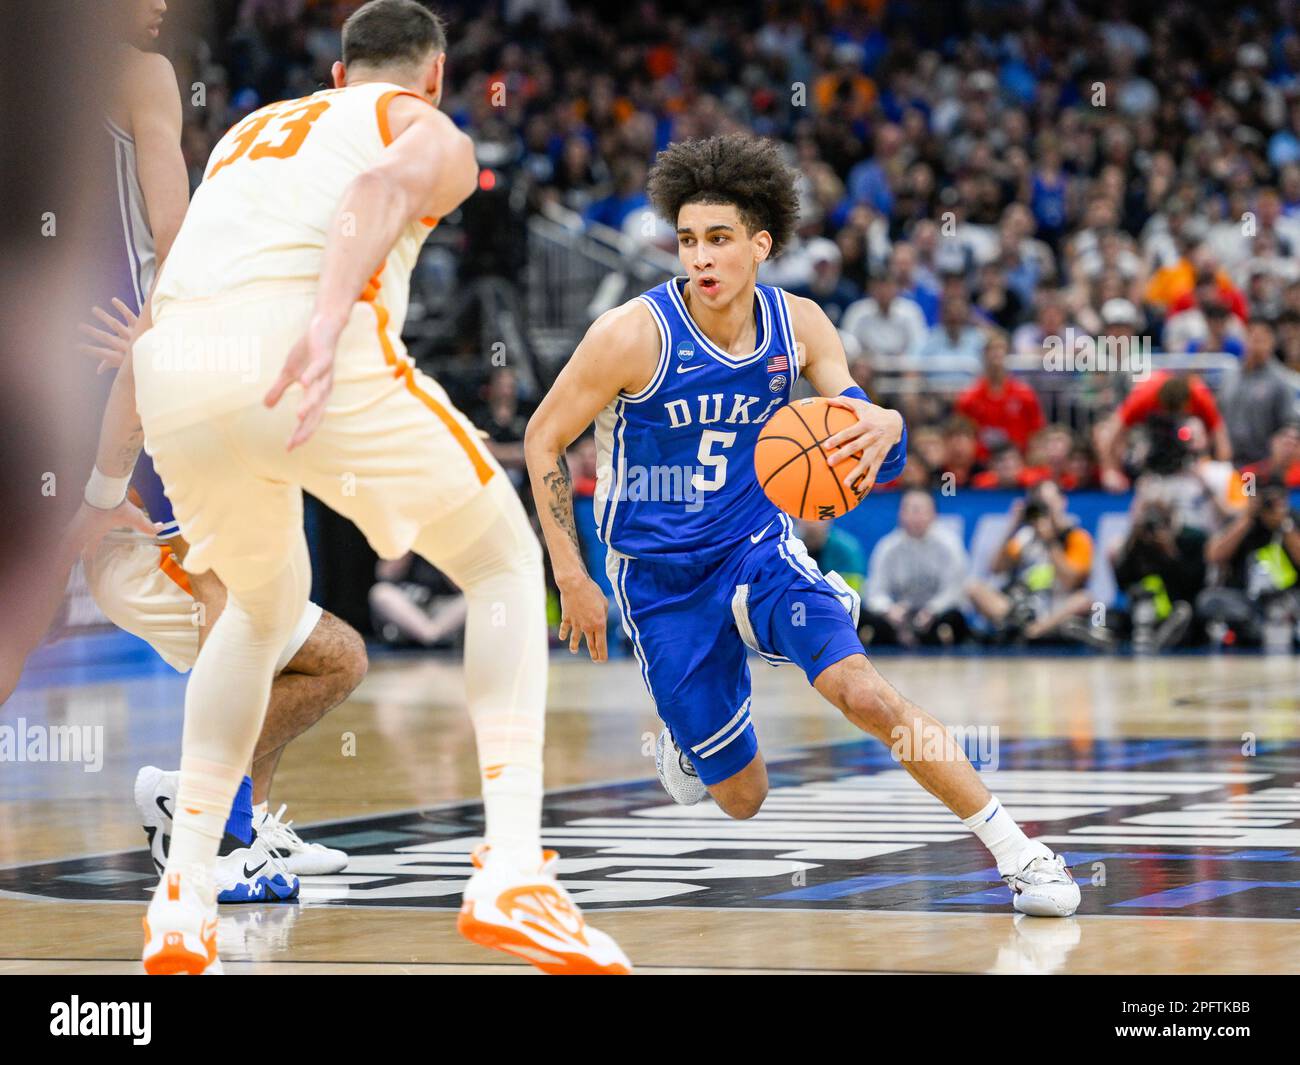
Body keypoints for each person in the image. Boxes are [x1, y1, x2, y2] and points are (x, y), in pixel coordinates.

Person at [124, 0, 628, 975]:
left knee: (260, 612)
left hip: (174, 369)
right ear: (431, 75)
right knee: (503, 560)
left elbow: (174, 259)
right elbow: (379, 187)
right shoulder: (423, 126)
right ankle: (515, 873)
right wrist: (322, 323)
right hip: (299, 345)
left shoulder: (245, 132)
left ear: (341, 72)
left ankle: (182, 898)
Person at [524, 133, 1079, 921]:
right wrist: (571, 576)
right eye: (687, 240)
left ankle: (1021, 854)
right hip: (659, 580)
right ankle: (692, 740)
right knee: (742, 798)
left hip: (757, 547)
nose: (700, 258)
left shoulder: (801, 324)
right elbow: (543, 439)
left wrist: (886, 423)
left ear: (762, 243)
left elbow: (857, 423)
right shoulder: (630, 335)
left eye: (719, 239)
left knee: (865, 691)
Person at [3, 0, 367, 899]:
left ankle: (227, 818)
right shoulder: (140, 73)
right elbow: (177, 235)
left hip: (63, 364)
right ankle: (211, 828)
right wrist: (176, 326)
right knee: (258, 618)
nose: (162, 3)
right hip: (125, 374)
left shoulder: (42, 89)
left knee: (259, 622)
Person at [966, 481, 1112, 649]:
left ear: (1062, 502)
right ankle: (1029, 631)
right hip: (1022, 607)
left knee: (1084, 599)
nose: (1046, 510)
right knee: (974, 588)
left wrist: (1050, 542)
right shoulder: (1025, 536)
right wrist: (1013, 526)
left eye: (1050, 502)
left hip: (1057, 606)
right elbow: (996, 568)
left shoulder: (1077, 537)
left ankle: (1034, 632)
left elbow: (1071, 581)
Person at [860, 491, 970, 647]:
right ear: (900, 514)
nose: (915, 516)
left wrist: (932, 610)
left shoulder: (950, 545)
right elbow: (875, 591)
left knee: (953, 619)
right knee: (868, 621)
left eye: (920, 510)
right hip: (899, 615)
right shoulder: (887, 546)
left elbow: (954, 590)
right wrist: (889, 609)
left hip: (936, 614)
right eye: (909, 510)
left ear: (934, 515)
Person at [1200, 480, 1300, 648]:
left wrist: (1284, 526)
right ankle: (1251, 629)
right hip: (1247, 600)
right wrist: (1247, 519)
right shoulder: (1242, 520)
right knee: (1208, 600)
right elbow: (1213, 556)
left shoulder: (1292, 520)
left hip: (1288, 597)